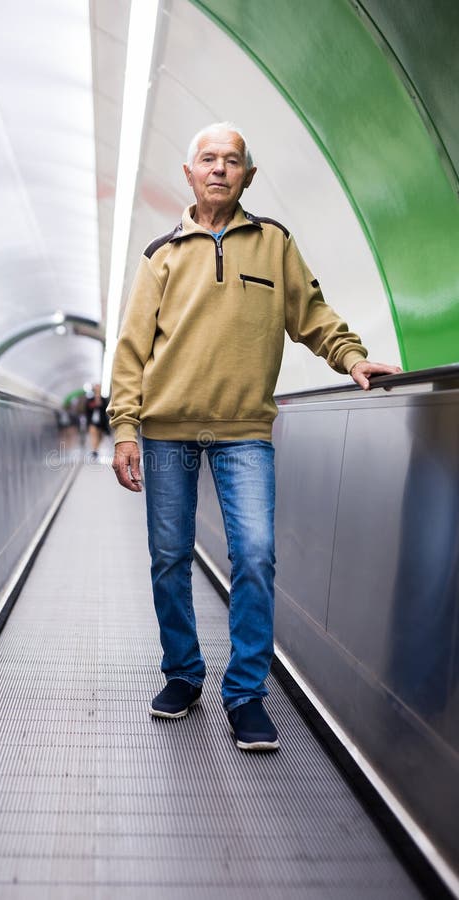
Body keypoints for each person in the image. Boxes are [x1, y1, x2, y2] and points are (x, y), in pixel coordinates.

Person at [108, 122, 401, 751]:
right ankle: (183, 675)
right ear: (188, 174)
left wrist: (352, 358)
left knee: (256, 556)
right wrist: (125, 428)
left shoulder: (275, 244)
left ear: (249, 176)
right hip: (166, 433)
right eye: (208, 159)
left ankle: (245, 694)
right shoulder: (161, 254)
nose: (219, 168)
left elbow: (312, 316)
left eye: (232, 160)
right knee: (168, 558)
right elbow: (131, 352)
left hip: (245, 432)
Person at [85, 383, 110, 459]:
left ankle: (96, 449)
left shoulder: (104, 399)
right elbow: (87, 409)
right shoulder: (90, 399)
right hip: (92, 421)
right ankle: (94, 450)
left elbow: (106, 410)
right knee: (94, 435)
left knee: (100, 436)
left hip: (101, 422)